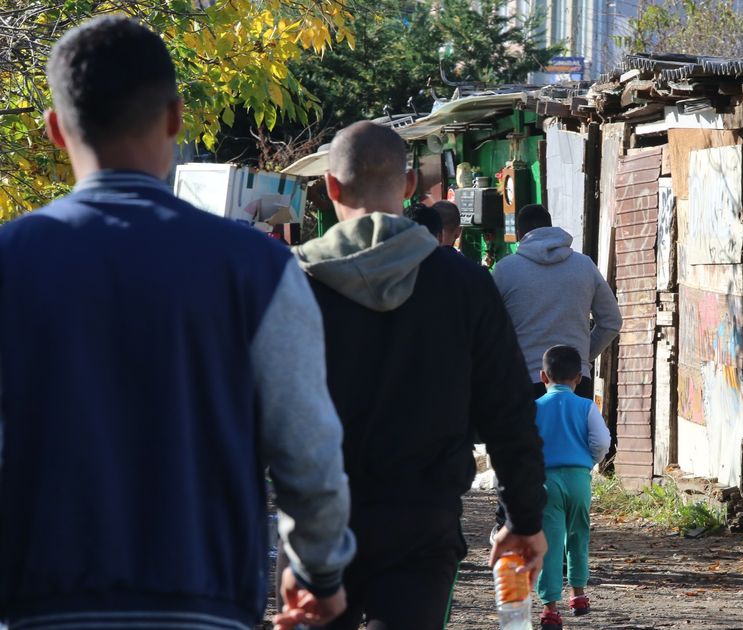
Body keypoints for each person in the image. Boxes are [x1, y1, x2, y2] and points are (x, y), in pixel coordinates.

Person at [0, 17, 355, 630]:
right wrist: (319, 570)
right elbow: (308, 450)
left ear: (57, 130)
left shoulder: (11, 260)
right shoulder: (259, 269)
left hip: (38, 605)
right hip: (203, 601)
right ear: (174, 117)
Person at [293, 121, 548, 630]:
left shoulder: (294, 282)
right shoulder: (466, 285)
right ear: (410, 187)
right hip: (422, 523)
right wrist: (523, 519)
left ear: (331, 188)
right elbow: (508, 409)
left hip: (317, 523)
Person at [492, 204, 623, 402]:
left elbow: (487, 328)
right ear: (551, 227)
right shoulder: (584, 266)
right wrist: (580, 359)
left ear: (519, 234)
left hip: (523, 380)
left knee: (528, 434)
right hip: (575, 381)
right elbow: (611, 321)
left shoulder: (505, 270)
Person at [532, 346, 611, 630]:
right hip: (579, 479)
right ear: (579, 378)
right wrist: (587, 461)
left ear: (542, 376)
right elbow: (602, 442)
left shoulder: (534, 407)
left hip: (545, 481)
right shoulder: (586, 406)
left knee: (549, 542)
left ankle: (550, 608)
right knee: (579, 533)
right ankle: (578, 595)